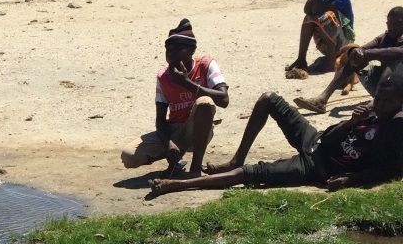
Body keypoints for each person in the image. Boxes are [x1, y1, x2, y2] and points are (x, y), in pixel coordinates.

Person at [147, 72, 403, 199]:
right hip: (316, 141)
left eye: (387, 101)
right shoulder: (372, 111)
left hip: (316, 166)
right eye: (377, 97)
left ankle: (177, 185)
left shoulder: (395, 128)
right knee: (269, 99)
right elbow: (333, 135)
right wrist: (350, 123)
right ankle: (237, 157)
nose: (379, 104)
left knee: (248, 175)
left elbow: (390, 169)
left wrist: (351, 179)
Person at [121, 19, 230, 178]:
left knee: (204, 103)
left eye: (177, 48)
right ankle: (175, 161)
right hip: (175, 131)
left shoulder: (205, 64)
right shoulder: (163, 77)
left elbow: (224, 100)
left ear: (191, 50)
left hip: (199, 130)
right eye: (168, 48)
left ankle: (195, 167)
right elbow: (160, 119)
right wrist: (168, 143)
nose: (171, 53)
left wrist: (186, 83)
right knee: (129, 156)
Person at [295, 6, 403, 114]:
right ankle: (322, 100)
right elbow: (362, 49)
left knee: (393, 62)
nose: (392, 27)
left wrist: (368, 53)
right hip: (382, 89)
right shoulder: (385, 37)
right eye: (390, 23)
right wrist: (354, 51)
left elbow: (396, 52)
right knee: (356, 59)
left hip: (397, 91)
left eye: (397, 24)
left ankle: (376, 104)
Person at [285, 0, 354, 77]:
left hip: (344, 44)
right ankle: (301, 59)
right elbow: (307, 9)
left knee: (327, 16)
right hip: (328, 43)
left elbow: (316, 9)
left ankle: (331, 62)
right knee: (308, 18)